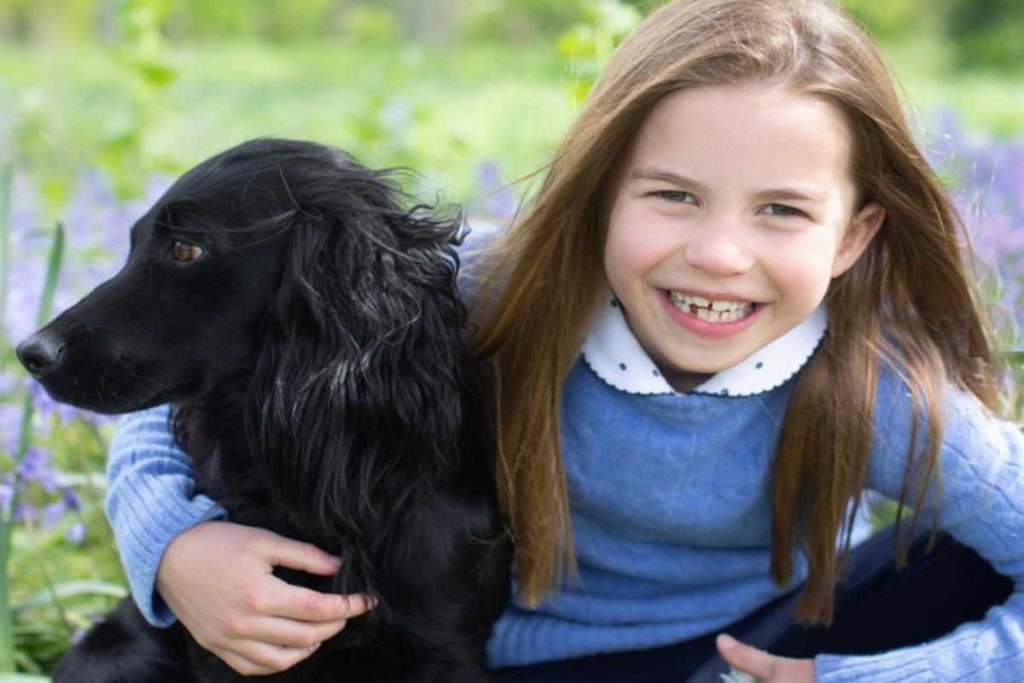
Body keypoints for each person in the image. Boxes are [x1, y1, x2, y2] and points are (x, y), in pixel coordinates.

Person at [104, 0, 1024, 680]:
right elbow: (188, 369)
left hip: (769, 648)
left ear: (854, 235)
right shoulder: (495, 292)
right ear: (601, 193)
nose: (718, 255)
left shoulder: (877, 389)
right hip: (520, 664)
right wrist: (174, 549)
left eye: (782, 210)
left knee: (970, 554)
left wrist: (877, 677)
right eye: (674, 194)